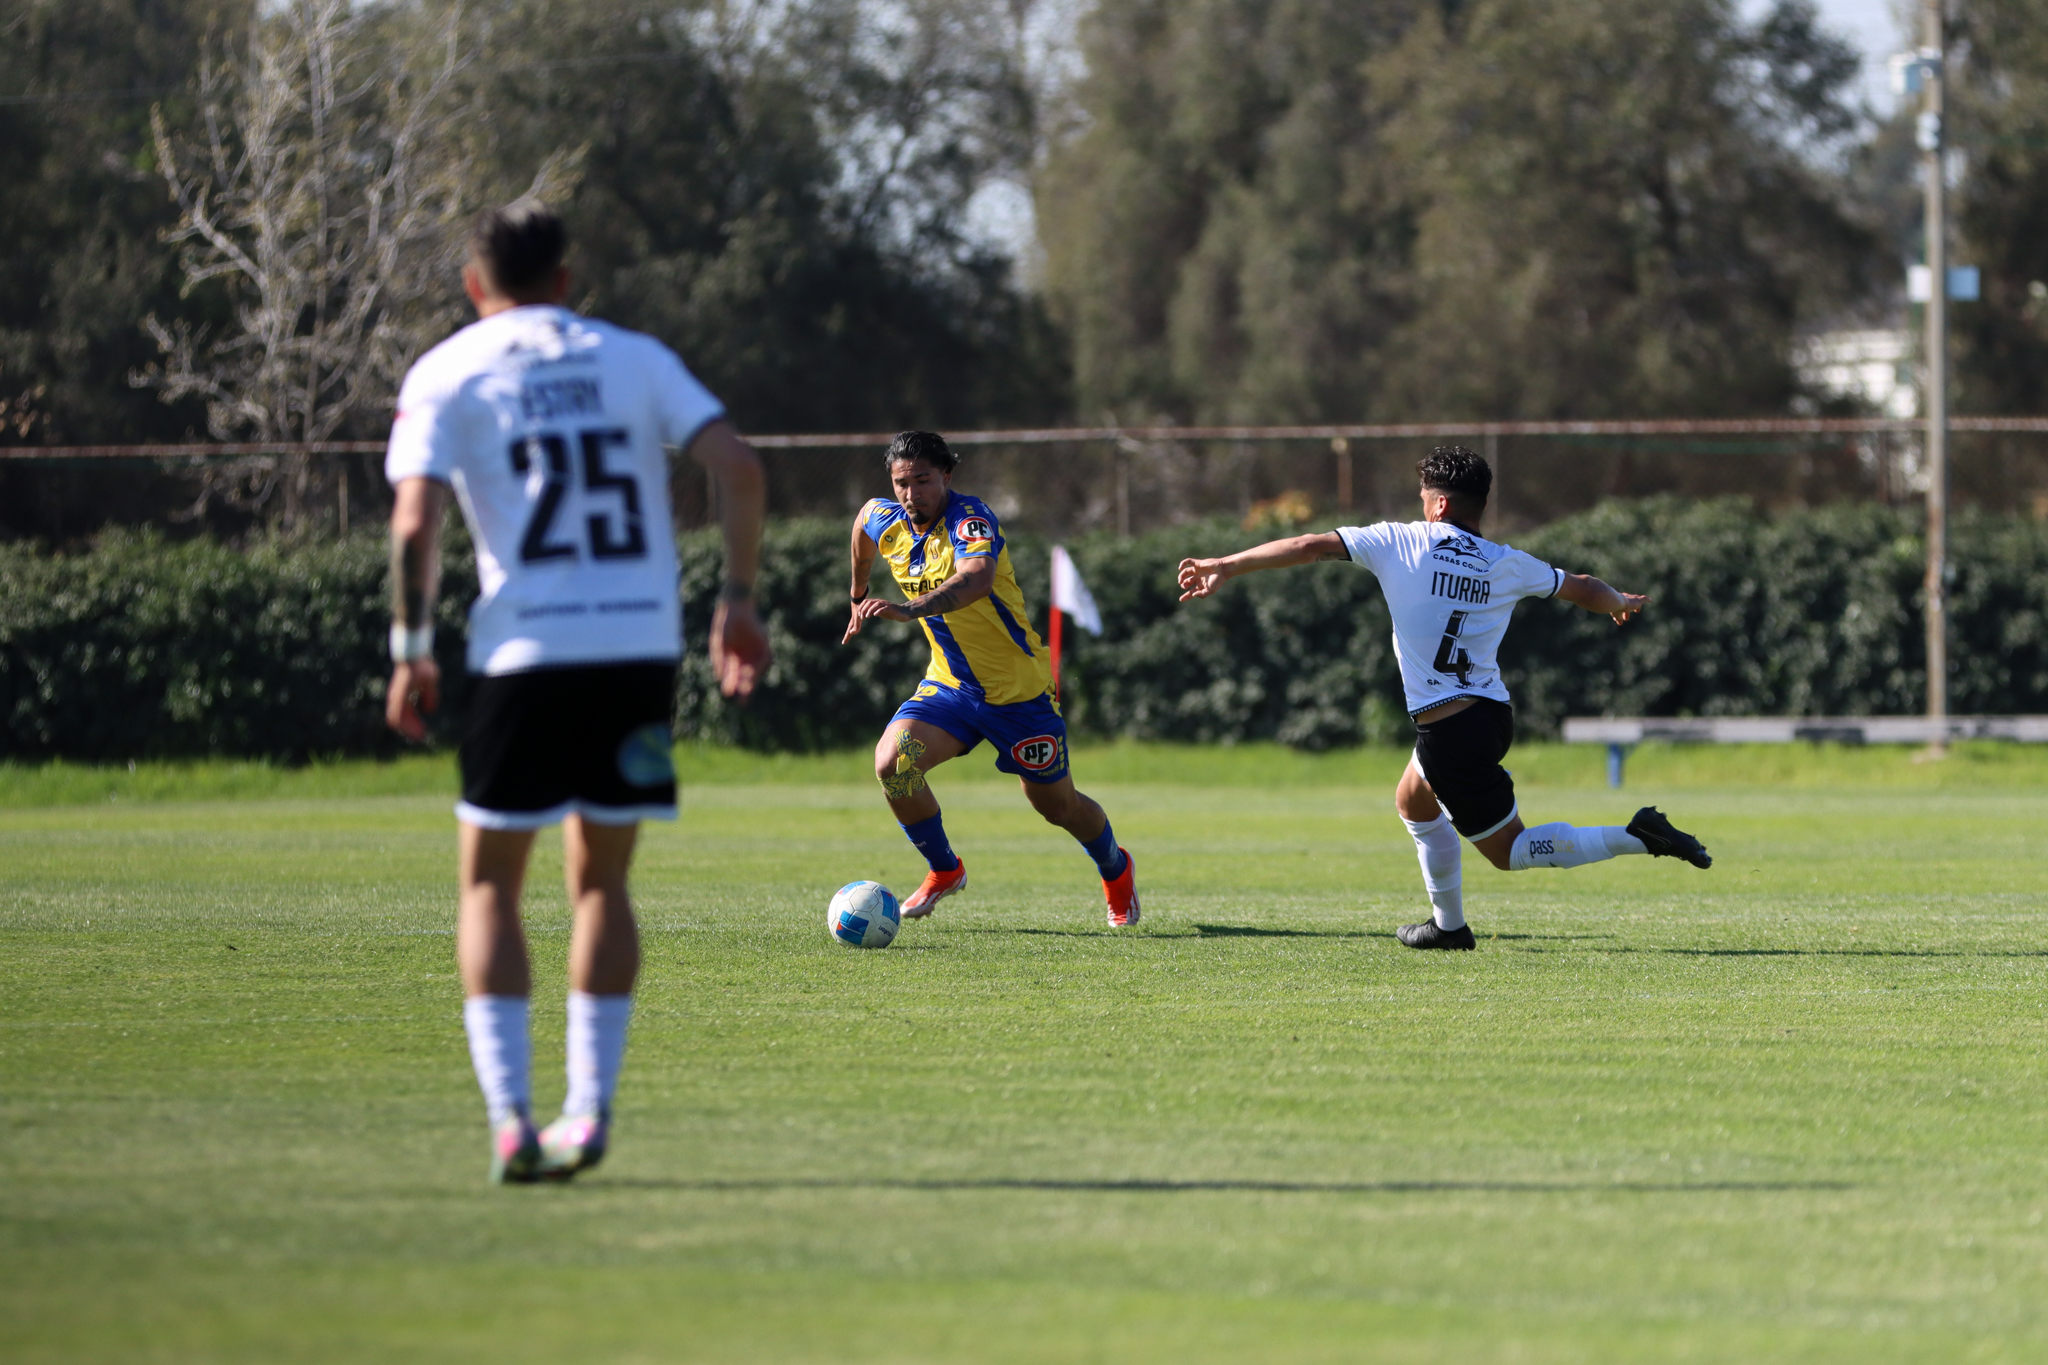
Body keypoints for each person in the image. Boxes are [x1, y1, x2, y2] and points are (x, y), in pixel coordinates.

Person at [383, 200, 769, 1182]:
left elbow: (415, 521)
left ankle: (511, 1118)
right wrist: (735, 600)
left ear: (475, 285)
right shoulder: (632, 356)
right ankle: (587, 1111)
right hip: (635, 652)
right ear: (566, 279)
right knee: (601, 883)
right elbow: (737, 465)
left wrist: (412, 644)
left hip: (521, 657)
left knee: (488, 885)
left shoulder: (448, 370)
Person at [1174, 445, 1709, 950]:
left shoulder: (1399, 541)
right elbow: (1584, 586)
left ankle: (1636, 836)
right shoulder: (1505, 561)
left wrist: (1227, 563)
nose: (1421, 506)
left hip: (1450, 731)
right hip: (1489, 715)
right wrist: (1618, 600)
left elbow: (1309, 545)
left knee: (1511, 853)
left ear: (1441, 503)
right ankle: (1448, 926)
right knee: (1412, 798)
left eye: (1425, 497)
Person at [840, 431, 1140, 927]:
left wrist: (908, 608)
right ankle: (945, 869)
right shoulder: (885, 518)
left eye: (923, 480)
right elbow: (861, 526)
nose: (912, 494)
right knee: (895, 764)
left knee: (1055, 805)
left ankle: (1116, 868)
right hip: (951, 690)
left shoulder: (969, 520)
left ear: (946, 476)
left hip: (1018, 695)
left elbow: (977, 578)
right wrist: (857, 595)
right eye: (902, 483)